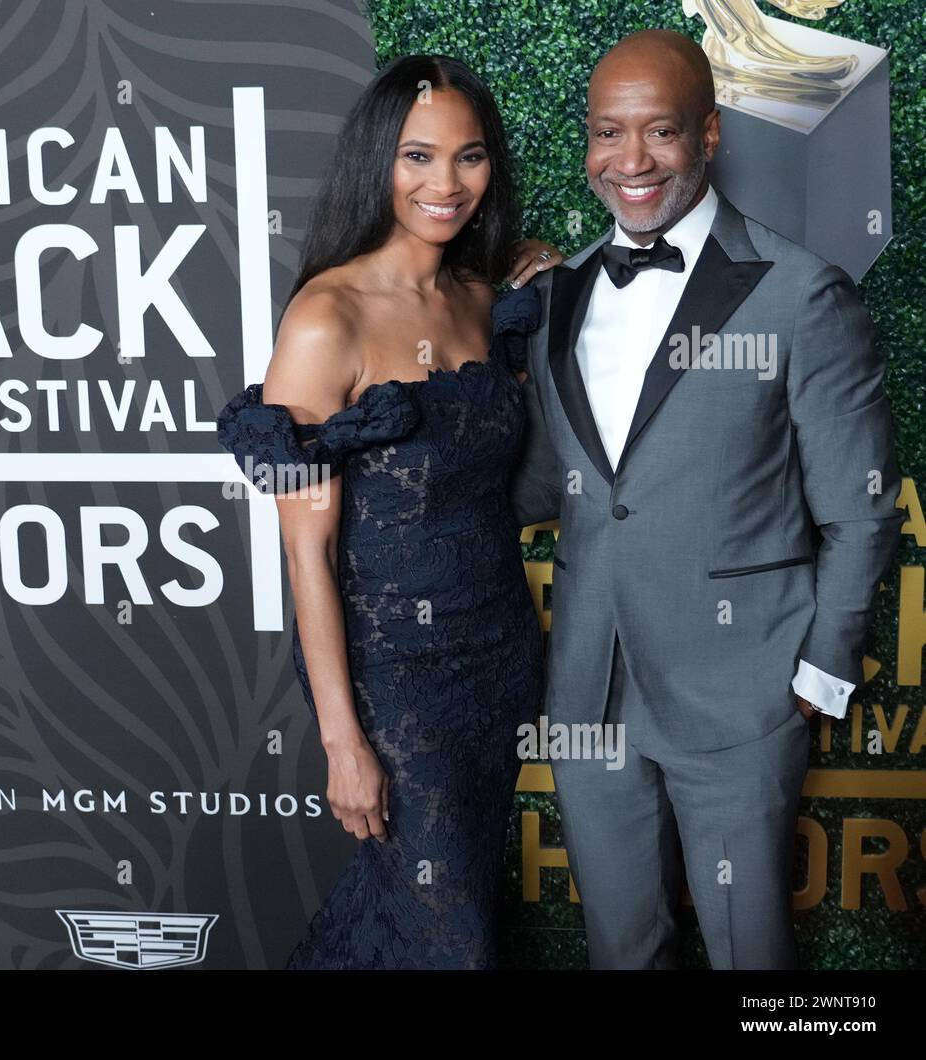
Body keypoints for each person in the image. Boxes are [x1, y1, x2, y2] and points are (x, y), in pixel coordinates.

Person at [509, 28, 905, 968]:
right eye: (609, 133)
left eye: (661, 132)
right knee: (621, 948)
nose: (631, 161)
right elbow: (548, 486)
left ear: (710, 135)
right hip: (588, 689)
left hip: (741, 693)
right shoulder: (555, 298)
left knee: (748, 955)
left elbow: (860, 508)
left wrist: (817, 677)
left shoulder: (801, 295)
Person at [216, 53, 563, 969]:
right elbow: (306, 556)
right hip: (395, 686)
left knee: (433, 913)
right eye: (418, 156)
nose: (446, 183)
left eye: (469, 156)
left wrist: (538, 279)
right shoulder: (324, 319)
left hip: (497, 657)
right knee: (454, 938)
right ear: (379, 162)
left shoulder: (487, 302)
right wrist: (343, 741)